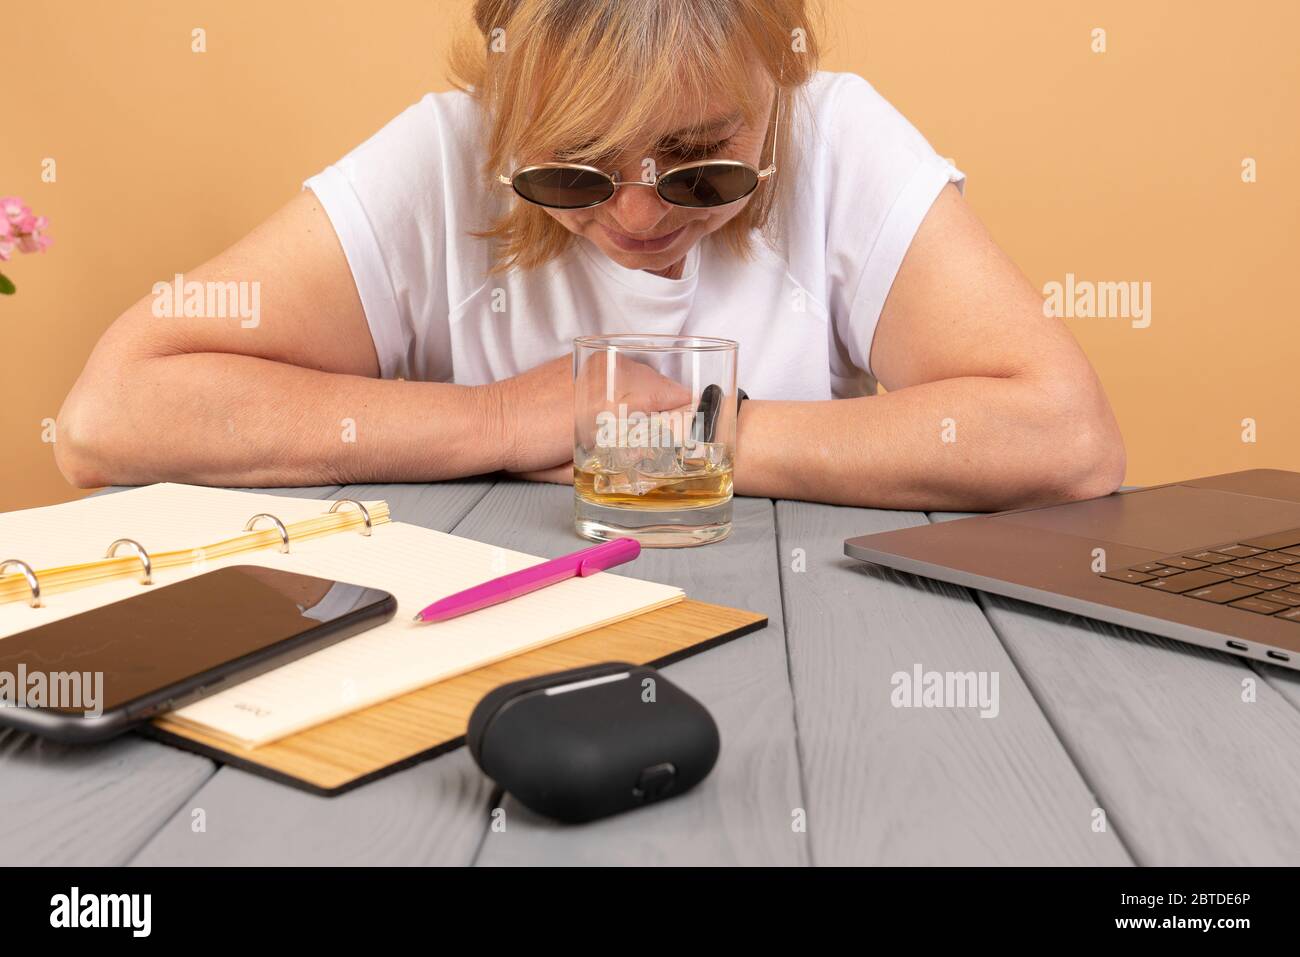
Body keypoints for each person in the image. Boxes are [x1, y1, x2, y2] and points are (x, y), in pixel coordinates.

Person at [55, 0, 1125, 511]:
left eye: (701, 169)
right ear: (502, 112)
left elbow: (1064, 440)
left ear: (775, 93)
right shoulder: (439, 154)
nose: (635, 220)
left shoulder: (838, 137)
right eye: (569, 173)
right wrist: (507, 417)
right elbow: (109, 419)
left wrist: (689, 438)